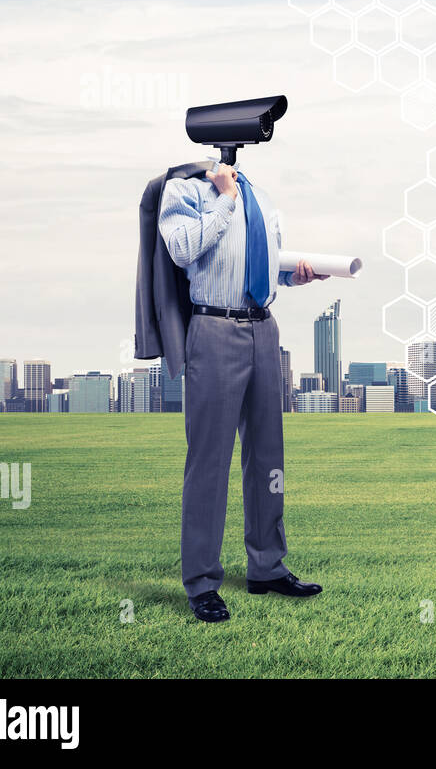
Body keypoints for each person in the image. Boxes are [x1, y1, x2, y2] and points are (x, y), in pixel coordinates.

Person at [158, 161, 326, 623]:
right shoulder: (185, 191)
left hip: (263, 330)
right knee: (210, 460)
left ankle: (267, 567)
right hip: (213, 327)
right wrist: (225, 198)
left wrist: (295, 275)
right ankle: (202, 583)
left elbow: (262, 263)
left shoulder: (263, 198)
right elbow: (181, 248)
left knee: (269, 456)